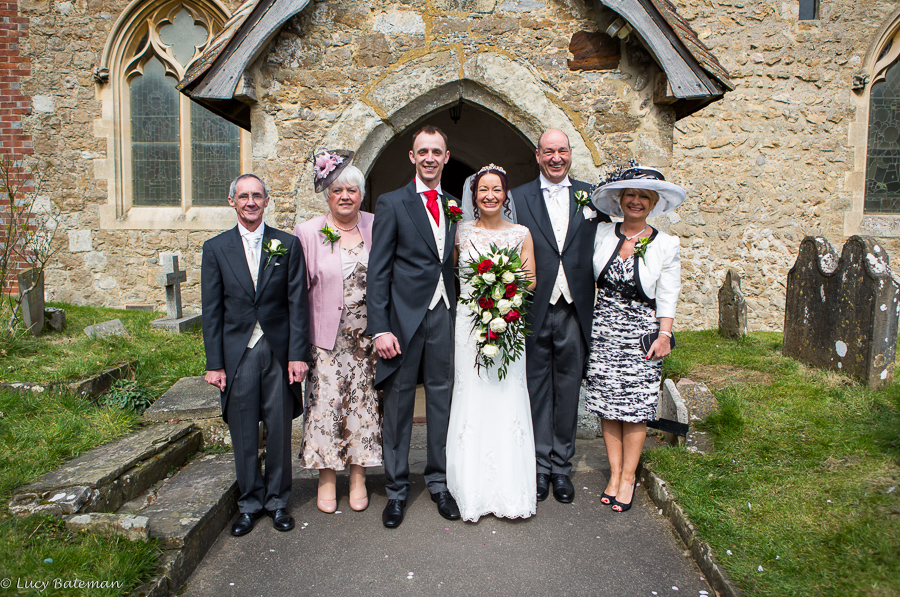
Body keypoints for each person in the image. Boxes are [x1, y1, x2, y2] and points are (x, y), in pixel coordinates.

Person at [201, 174, 310, 536]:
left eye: (257, 196)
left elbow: (298, 304)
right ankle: (249, 504)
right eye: (243, 196)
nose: (250, 202)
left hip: (277, 350)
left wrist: (297, 355)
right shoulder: (216, 248)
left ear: (266, 201)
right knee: (244, 431)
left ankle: (278, 502)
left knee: (278, 429)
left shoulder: (287, 244)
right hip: (239, 353)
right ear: (232, 201)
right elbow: (211, 310)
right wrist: (215, 363)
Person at [367, 124, 461, 528]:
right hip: (402, 321)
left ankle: (438, 482)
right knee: (399, 403)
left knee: (442, 398)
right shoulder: (392, 203)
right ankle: (396, 490)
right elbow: (377, 271)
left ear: (446, 157)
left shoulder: (455, 204)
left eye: (436, 151)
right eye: (423, 151)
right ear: (412, 156)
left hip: (444, 313)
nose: (429, 158)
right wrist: (380, 328)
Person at [511, 129, 611, 504]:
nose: (556, 157)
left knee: (568, 389)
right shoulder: (518, 197)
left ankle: (561, 468)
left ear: (571, 154)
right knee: (536, 387)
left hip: (574, 307)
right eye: (549, 151)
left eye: (562, 151)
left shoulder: (592, 196)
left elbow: (611, 241)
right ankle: (539, 467)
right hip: (534, 307)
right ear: (538, 156)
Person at [586, 165, 684, 513]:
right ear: (620, 199)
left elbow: (668, 293)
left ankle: (629, 478)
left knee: (635, 408)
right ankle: (614, 474)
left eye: (644, 196)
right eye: (631, 194)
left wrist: (664, 334)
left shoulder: (666, 244)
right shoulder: (602, 233)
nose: (637, 201)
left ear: (653, 203)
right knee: (607, 405)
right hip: (604, 331)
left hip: (641, 333)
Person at [446, 164, 537, 522]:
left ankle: (510, 489)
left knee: (506, 395)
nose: (490, 195)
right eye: (483, 189)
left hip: (508, 322)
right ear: (474, 195)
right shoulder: (461, 232)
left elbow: (530, 279)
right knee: (472, 395)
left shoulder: (521, 233)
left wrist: (504, 289)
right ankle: (471, 488)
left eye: (496, 189)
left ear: (505, 195)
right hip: (469, 326)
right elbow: (450, 273)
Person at [294, 151, 381, 514]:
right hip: (326, 339)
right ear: (327, 196)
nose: (345, 196)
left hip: (368, 338)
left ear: (362, 194)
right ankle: (327, 478)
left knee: (363, 406)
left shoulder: (376, 225)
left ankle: (359, 476)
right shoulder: (307, 232)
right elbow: (298, 293)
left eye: (352, 190)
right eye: (337, 190)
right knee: (325, 407)